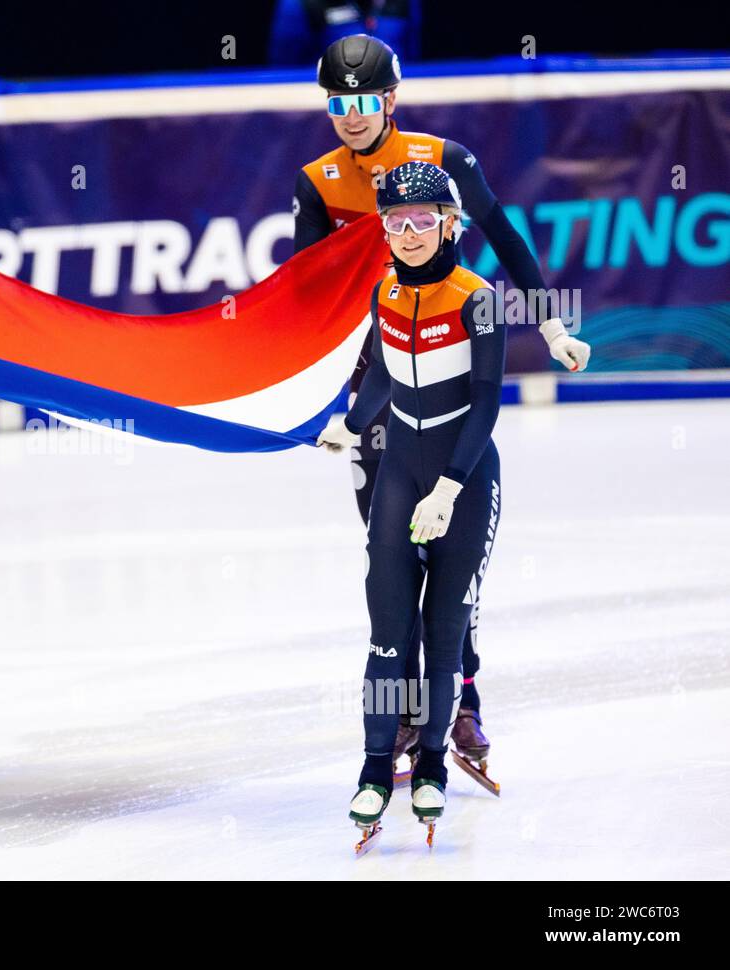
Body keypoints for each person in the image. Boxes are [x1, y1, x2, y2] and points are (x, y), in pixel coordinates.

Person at [293, 34, 589, 773]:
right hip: (379, 397)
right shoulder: (317, 182)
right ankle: (398, 720)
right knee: (391, 568)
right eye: (337, 103)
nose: (350, 116)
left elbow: (507, 237)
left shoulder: (444, 160)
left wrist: (550, 321)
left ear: (391, 100)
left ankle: (463, 706)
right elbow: (305, 303)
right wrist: (323, 402)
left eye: (363, 102)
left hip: (449, 390)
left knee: (454, 562)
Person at [317, 161, 505, 841]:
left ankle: (432, 764)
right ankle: (373, 770)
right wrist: (347, 422)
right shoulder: (385, 293)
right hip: (399, 474)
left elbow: (486, 403)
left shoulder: (477, 298)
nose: (410, 232)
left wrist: (452, 487)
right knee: (388, 634)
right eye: (396, 221)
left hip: (465, 478)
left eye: (424, 219)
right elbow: (381, 381)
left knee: (443, 637)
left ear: (451, 224)